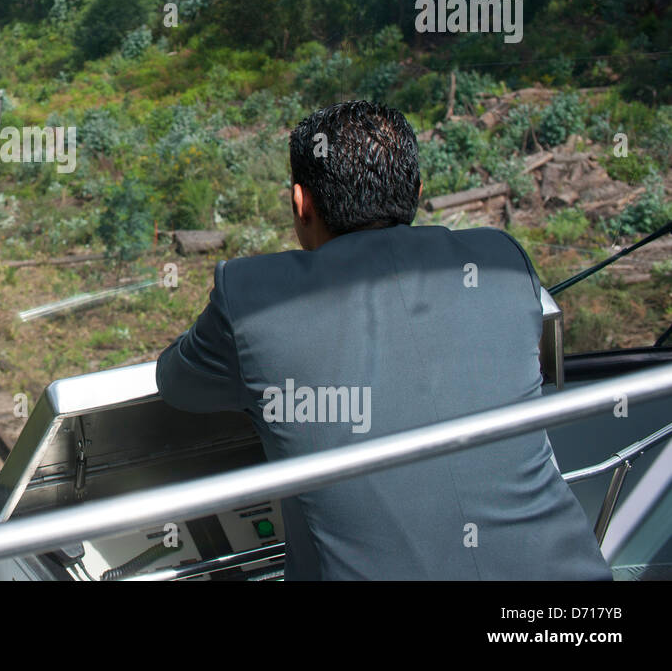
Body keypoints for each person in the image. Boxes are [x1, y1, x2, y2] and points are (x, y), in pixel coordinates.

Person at [156, 100, 611, 580]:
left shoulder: (251, 295)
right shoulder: (499, 259)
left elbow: (178, 383)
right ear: (417, 192)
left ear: (300, 203)